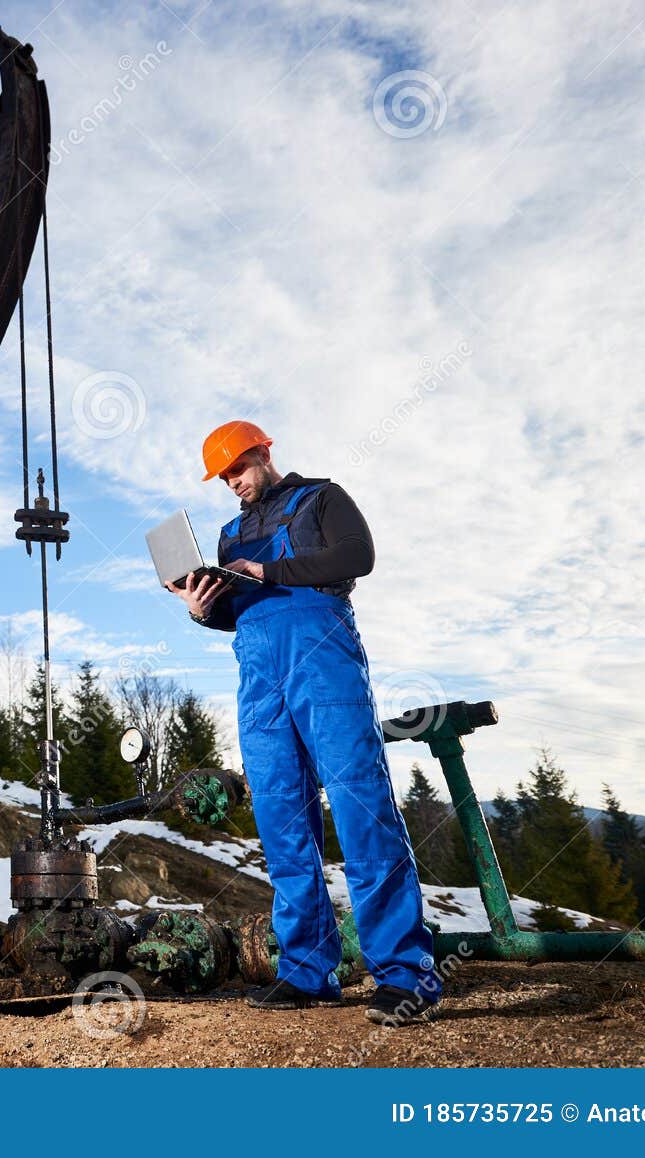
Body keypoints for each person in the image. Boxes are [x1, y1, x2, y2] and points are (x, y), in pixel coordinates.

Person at [167, 419, 440, 1026]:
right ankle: (306, 971)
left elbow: (358, 557)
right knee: (281, 817)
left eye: (237, 468)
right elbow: (236, 614)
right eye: (224, 477)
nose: (232, 483)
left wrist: (269, 573)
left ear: (263, 452)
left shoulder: (322, 497)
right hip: (259, 670)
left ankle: (405, 975)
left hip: (322, 657)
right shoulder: (230, 532)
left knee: (360, 806)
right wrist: (200, 608)